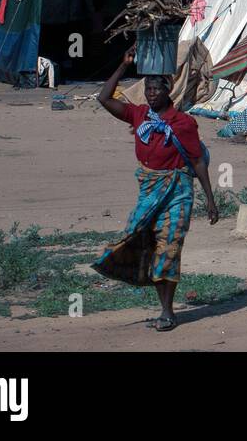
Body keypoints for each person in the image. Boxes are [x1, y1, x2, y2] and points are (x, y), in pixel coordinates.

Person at [93, 46, 220, 332]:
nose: (151, 94)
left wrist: (210, 200)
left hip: (177, 192)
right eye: (147, 89)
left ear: (167, 92)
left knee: (169, 247)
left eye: (156, 89)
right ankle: (148, 287)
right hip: (149, 189)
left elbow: (198, 162)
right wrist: (124, 65)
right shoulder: (139, 116)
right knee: (138, 239)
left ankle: (167, 311)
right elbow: (103, 98)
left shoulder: (183, 123)